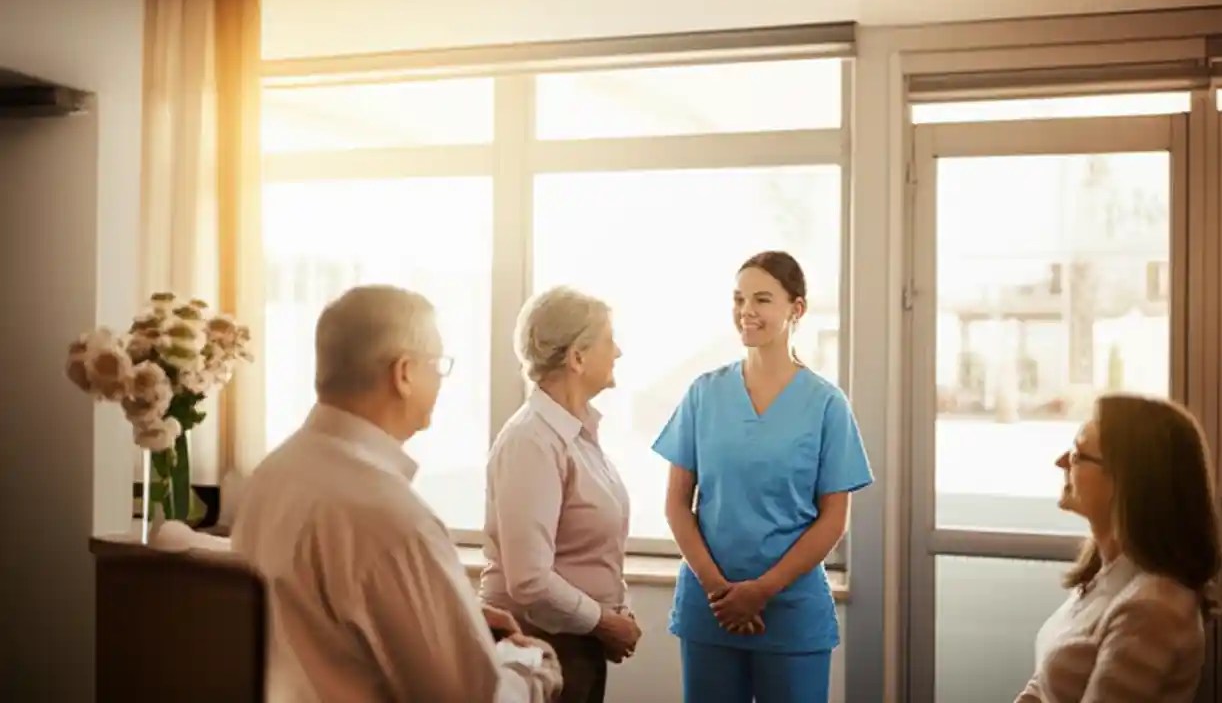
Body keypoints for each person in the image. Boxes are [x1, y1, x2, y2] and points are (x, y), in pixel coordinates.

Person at [231, 285, 562, 703]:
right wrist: (529, 668)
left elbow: (315, 627)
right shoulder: (392, 518)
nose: (440, 382)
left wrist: (448, 622)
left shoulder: (271, 476)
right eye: (437, 365)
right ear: (404, 373)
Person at [653, 251, 874, 703]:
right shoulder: (704, 393)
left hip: (790, 613)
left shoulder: (827, 405)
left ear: (797, 309)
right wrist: (720, 591)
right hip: (709, 610)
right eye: (738, 299)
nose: (746, 312)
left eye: (762, 299)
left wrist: (761, 591)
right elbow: (677, 504)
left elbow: (834, 520)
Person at [481, 286, 641, 703]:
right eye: (609, 340)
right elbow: (530, 581)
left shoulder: (577, 434)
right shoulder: (531, 441)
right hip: (543, 647)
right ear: (577, 357)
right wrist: (605, 622)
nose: (618, 351)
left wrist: (614, 611)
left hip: (579, 643)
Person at [1016, 395, 1222, 702]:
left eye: (1077, 453)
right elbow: (1043, 686)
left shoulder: (1152, 608)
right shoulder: (1108, 577)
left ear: (1124, 481)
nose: (1061, 461)